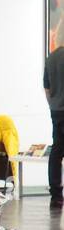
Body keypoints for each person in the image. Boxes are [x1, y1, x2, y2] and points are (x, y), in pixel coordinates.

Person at [46, 31, 64, 209]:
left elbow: (46, 87)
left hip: (56, 111)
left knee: (56, 152)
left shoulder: (51, 58)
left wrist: (52, 105)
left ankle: (56, 196)